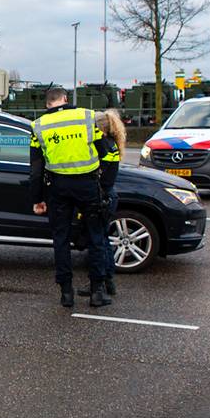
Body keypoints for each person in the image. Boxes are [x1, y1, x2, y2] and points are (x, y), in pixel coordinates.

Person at [29, 87, 114, 308]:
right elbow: (107, 151)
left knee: (61, 239)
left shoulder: (38, 126)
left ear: (48, 104)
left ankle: (66, 293)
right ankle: (97, 291)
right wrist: (104, 186)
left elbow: (36, 169)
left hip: (57, 188)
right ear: (66, 99)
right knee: (96, 236)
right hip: (88, 186)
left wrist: (38, 199)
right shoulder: (87, 117)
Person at [78, 109, 125, 298]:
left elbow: (96, 174)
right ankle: (108, 281)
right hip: (109, 196)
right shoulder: (112, 144)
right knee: (103, 240)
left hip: (99, 198)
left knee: (96, 242)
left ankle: (97, 283)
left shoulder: (101, 145)